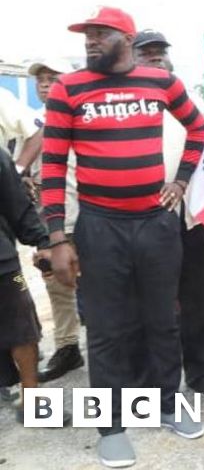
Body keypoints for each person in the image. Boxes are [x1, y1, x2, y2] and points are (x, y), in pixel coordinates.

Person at [42, 6, 204, 467]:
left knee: (163, 319)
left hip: (155, 222)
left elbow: (198, 127)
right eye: (87, 34)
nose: (90, 40)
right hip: (100, 226)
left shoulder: (160, 82)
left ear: (127, 38)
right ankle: (111, 426)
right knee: (106, 327)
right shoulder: (68, 88)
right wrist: (57, 237)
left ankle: (168, 404)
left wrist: (181, 180)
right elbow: (52, 164)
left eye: (101, 33)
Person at [133, 29, 204, 394]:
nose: (156, 58)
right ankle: (160, 381)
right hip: (145, 216)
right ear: (131, 60)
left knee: (198, 295)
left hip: (190, 213)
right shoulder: (127, 105)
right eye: (146, 53)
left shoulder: (188, 102)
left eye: (161, 52)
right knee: (154, 300)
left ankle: (201, 373)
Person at [24, 59, 85, 384]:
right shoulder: (32, 122)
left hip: (85, 217)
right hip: (50, 220)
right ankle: (67, 346)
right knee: (56, 286)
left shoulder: (82, 116)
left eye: (52, 78)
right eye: (41, 80)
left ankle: (118, 348)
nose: (45, 84)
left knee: (99, 284)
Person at [0, 144, 57, 424]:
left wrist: (44, 242)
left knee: (24, 326)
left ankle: (32, 402)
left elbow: (18, 206)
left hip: (4, 266)